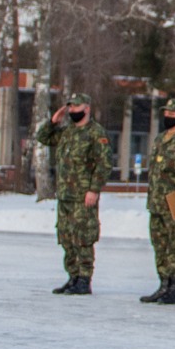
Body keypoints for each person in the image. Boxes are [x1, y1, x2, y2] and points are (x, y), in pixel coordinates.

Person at [36, 92, 112, 296]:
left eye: (76, 108)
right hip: (66, 194)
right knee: (67, 236)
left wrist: (94, 189)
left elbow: (103, 164)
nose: (72, 111)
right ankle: (73, 276)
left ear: (87, 108)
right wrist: (53, 121)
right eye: (70, 107)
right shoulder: (67, 132)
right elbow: (42, 138)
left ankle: (84, 278)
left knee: (83, 237)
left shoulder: (96, 133)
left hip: (83, 195)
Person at [140, 97, 175, 304]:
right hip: (157, 200)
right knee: (160, 243)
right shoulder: (160, 138)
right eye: (166, 114)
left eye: (172, 114)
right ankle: (163, 283)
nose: (167, 117)